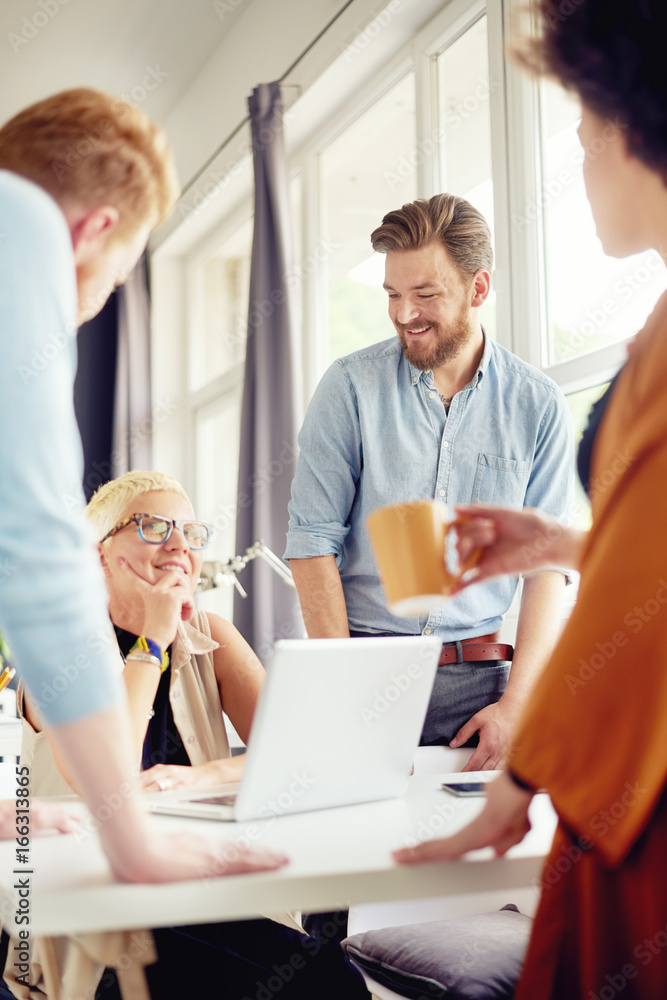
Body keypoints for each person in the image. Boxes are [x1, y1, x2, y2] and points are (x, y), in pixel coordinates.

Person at [394, 2, 667, 997]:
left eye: (585, 135)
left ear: (635, 127)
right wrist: (562, 542)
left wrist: (516, 781)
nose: (581, 162)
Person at [0, 88, 284, 886]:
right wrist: (134, 843)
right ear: (94, 231)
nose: (99, 301)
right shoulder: (21, 237)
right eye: (119, 273)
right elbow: (39, 558)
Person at [9, 471, 370, 1000]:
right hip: (96, 913)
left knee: (332, 978)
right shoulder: (56, 654)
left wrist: (200, 777)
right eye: (153, 526)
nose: (179, 545)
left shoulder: (212, 635)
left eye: (191, 532)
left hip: (204, 892)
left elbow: (302, 755)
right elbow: (107, 775)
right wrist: (153, 639)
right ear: (99, 555)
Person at [285, 194, 575, 770]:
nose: (403, 314)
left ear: (478, 288)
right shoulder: (349, 388)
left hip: (485, 688)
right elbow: (312, 541)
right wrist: (345, 690)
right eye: (393, 294)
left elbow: (546, 567)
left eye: (424, 294)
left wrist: (517, 704)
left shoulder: (538, 406)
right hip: (364, 674)